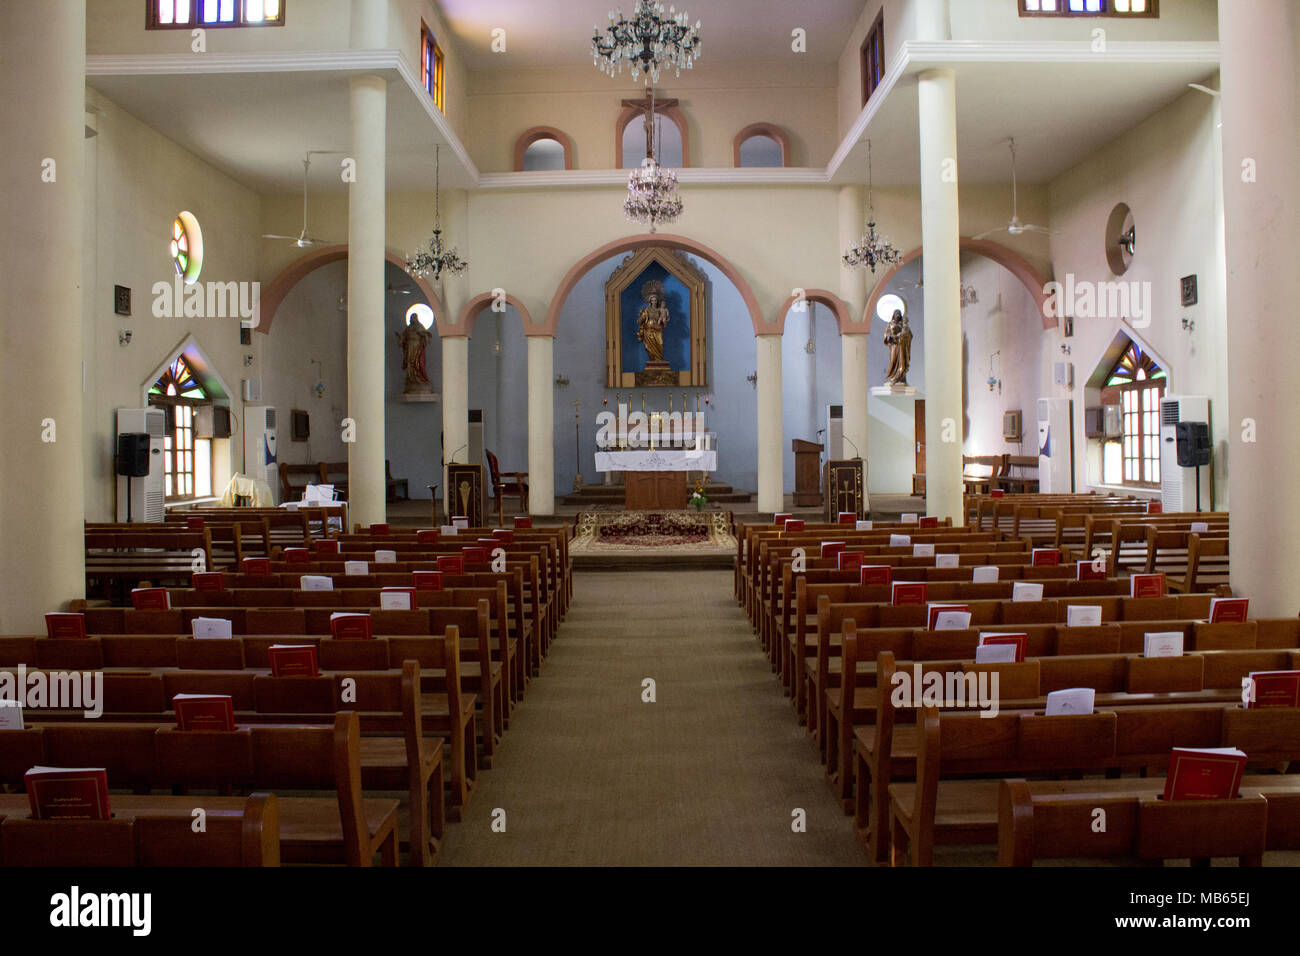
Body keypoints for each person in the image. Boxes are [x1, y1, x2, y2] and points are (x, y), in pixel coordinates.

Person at [636, 280, 672, 364]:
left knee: (660, 344)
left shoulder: (659, 310)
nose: (654, 301)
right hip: (648, 331)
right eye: (653, 300)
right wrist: (640, 319)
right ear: (650, 301)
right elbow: (643, 318)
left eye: (656, 300)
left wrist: (665, 319)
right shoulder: (647, 309)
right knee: (650, 348)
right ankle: (653, 361)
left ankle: (659, 360)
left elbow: (664, 317)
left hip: (658, 330)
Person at [396, 318, 433, 391]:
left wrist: (422, 334)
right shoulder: (408, 328)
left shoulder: (420, 326)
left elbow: (426, 335)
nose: (412, 319)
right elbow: (403, 339)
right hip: (410, 347)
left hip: (417, 346)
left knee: (418, 362)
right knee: (410, 362)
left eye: (413, 318)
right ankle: (411, 380)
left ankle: (420, 379)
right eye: (411, 318)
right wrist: (400, 337)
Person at [883, 309, 912, 386]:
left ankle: (900, 377)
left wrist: (903, 336)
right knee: (893, 361)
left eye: (899, 314)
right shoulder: (890, 324)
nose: (898, 315)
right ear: (894, 315)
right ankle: (891, 376)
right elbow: (886, 334)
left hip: (901, 345)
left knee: (902, 361)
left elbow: (909, 334)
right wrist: (890, 337)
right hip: (894, 345)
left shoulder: (903, 324)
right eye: (896, 314)